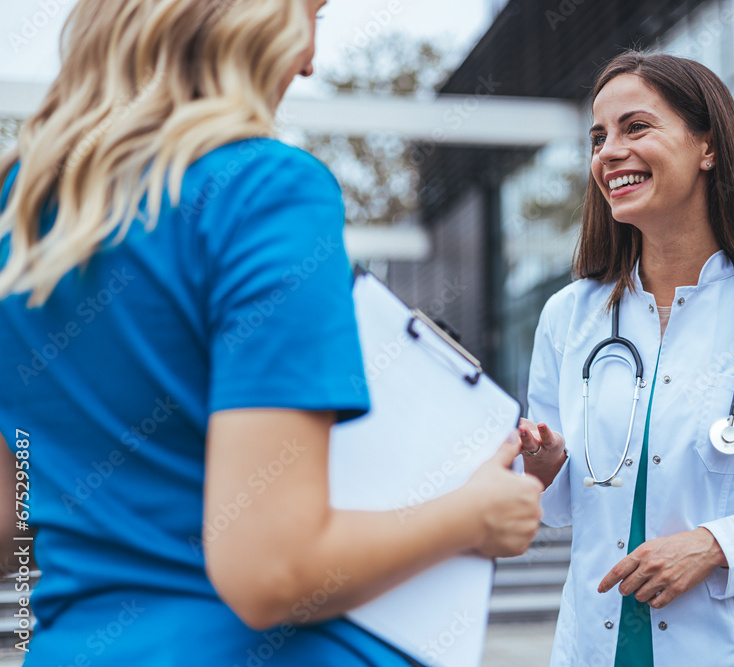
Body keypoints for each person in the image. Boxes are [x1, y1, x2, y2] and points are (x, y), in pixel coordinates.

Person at [0, 0, 542, 664]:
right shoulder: (262, 190)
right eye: (311, 14)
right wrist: (475, 515)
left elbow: (10, 518)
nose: (310, 59)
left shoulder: (17, 216)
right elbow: (270, 569)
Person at [518, 51, 734, 666]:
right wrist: (543, 467)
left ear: (708, 147)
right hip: (598, 643)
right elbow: (556, 507)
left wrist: (716, 544)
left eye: (636, 127)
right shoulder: (568, 318)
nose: (607, 153)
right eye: (598, 137)